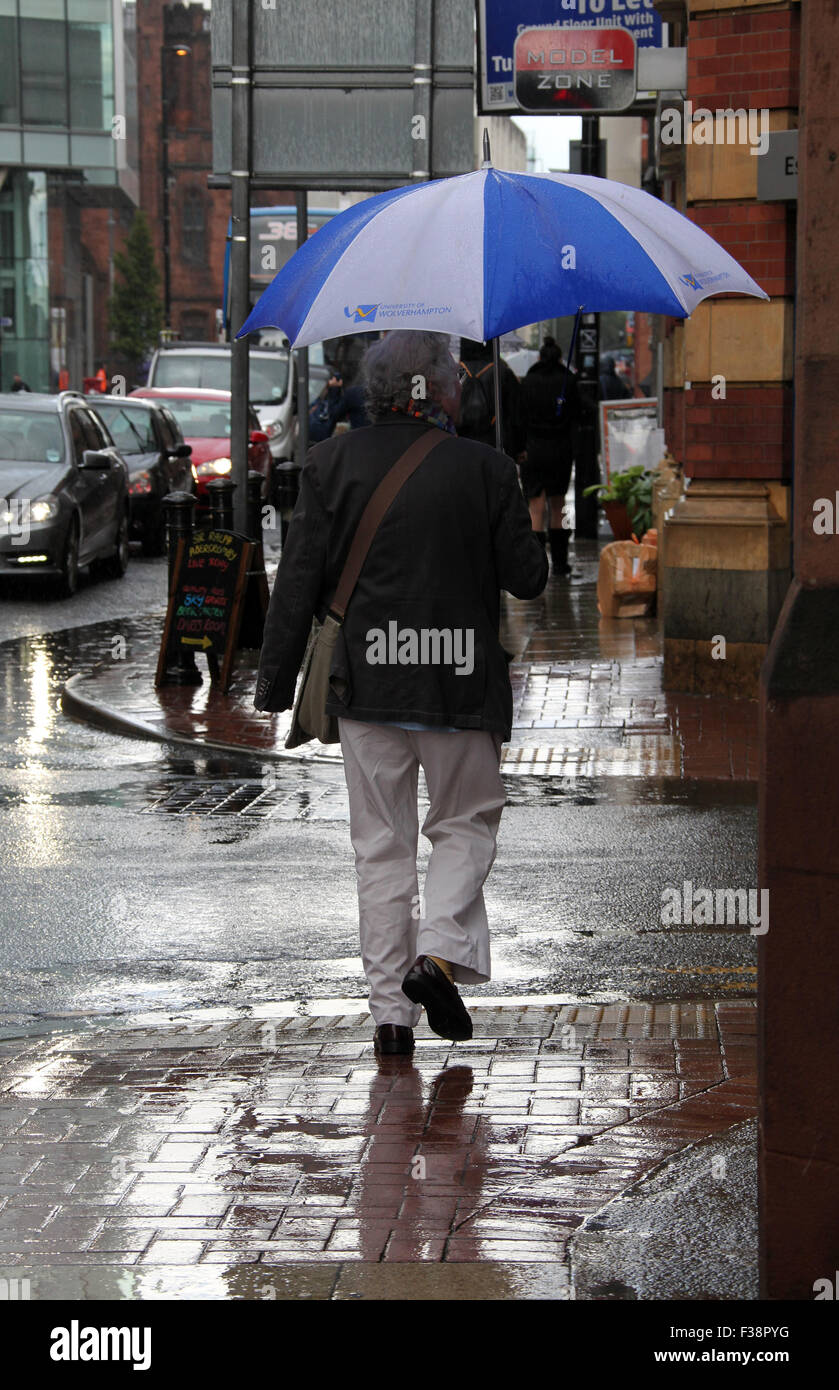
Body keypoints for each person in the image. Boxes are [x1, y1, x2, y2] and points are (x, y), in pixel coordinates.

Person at [254, 331, 548, 1056]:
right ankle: (436, 956)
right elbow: (528, 577)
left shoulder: (329, 462)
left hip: (366, 683)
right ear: (429, 389)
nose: (459, 384)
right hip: (458, 684)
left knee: (379, 849)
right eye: (451, 374)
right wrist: (511, 485)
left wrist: (273, 683)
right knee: (464, 823)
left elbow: (298, 580)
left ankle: (390, 1018)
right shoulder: (483, 467)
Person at [520, 336, 580, 577]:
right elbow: (577, 414)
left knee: (536, 506)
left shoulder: (529, 381)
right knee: (559, 505)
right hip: (560, 450)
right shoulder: (568, 381)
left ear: (539, 357)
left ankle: (536, 567)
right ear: (559, 358)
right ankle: (561, 563)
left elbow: (519, 417)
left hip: (533, 449)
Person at [457, 337, 524, 459]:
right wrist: (518, 448)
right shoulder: (502, 372)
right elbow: (515, 413)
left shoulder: (455, 372)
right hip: (494, 442)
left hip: (461, 441)